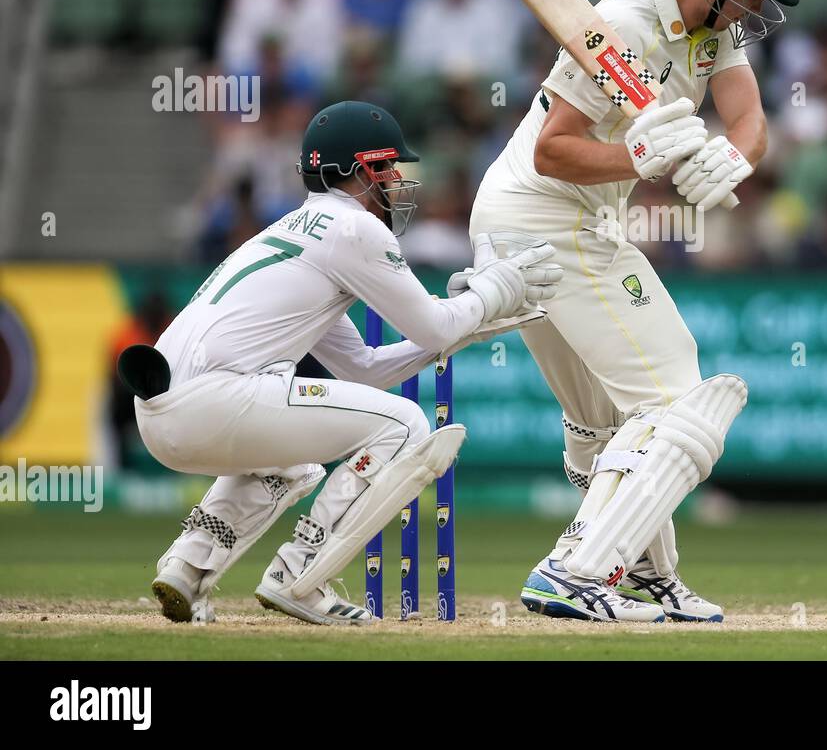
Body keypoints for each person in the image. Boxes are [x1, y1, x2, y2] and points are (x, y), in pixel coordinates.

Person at [469, 0, 799, 622]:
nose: (757, 9)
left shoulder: (714, 28)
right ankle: (577, 571)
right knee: (679, 393)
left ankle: (644, 575)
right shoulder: (625, 23)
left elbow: (749, 123)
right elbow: (553, 150)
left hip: (547, 222)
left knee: (600, 424)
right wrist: (638, 158)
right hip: (546, 219)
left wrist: (729, 160)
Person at [118, 102, 561, 625]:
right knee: (406, 424)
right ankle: (301, 577)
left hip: (164, 411)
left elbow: (364, 368)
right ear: (362, 168)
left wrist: (476, 321)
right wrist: (493, 293)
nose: (398, 179)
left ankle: (187, 566)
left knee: (294, 462)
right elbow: (435, 327)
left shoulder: (298, 230)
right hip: (217, 398)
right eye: (390, 166)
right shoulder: (355, 230)